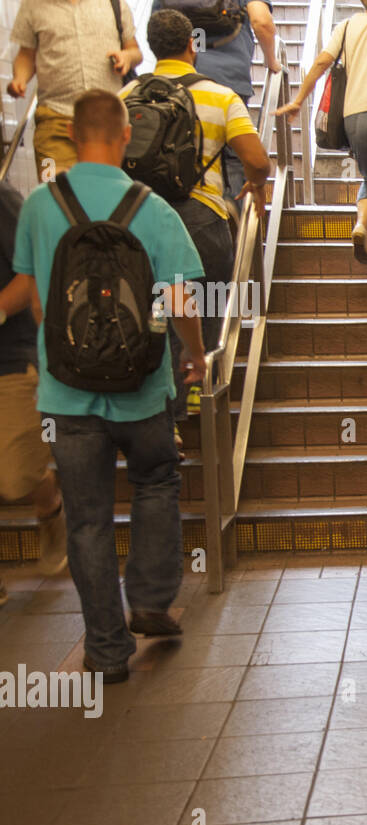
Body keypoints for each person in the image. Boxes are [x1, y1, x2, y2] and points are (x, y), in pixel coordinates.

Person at [11, 89, 206, 684]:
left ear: (71, 134)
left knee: (88, 520)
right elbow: (180, 299)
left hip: (66, 397)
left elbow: (36, 296)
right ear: (126, 137)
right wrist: (194, 354)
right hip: (142, 386)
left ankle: (106, 649)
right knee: (155, 481)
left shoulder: (41, 206)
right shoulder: (153, 207)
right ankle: (149, 598)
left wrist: (61, 355)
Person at [123, 9, 271, 433]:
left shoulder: (125, 97)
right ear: (194, 45)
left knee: (153, 309)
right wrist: (254, 184)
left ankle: (154, 411)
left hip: (140, 218)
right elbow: (257, 161)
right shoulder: (220, 95)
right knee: (203, 302)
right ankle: (194, 384)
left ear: (152, 47)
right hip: (201, 219)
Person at [276, 0, 367, 287]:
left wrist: (297, 100)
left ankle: (360, 224)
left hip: (353, 117)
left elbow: (321, 62)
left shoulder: (346, 27)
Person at [0, 182, 67, 606]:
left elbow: (30, 275)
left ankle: (51, 507)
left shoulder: (5, 202)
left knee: (14, 474)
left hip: (10, 356)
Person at [151, 0, 281, 200]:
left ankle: (183, 207)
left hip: (177, 83)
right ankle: (231, 208)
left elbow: (158, 27)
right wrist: (271, 60)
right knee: (231, 155)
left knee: (177, 148)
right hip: (229, 80)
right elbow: (262, 22)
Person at [7, 0, 144, 177]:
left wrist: (127, 57)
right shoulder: (32, 5)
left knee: (105, 192)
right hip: (55, 123)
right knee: (52, 189)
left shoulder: (114, 3)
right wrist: (20, 78)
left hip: (107, 124)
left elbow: (134, 50)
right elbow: (26, 55)